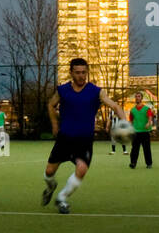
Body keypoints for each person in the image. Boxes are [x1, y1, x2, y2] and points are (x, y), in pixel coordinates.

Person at [42, 58, 129, 214]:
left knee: (81, 169)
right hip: (64, 139)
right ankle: (51, 186)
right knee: (49, 172)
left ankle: (61, 198)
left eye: (84, 72)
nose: (81, 76)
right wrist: (55, 124)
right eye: (78, 73)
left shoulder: (96, 91)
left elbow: (115, 106)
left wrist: (125, 123)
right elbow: (50, 104)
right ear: (71, 73)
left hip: (84, 140)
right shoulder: (62, 90)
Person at [128, 92, 154, 169]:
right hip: (136, 132)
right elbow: (131, 121)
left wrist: (148, 123)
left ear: (141, 98)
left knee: (147, 149)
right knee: (134, 149)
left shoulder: (147, 109)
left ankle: (149, 163)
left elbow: (150, 117)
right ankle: (133, 163)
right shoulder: (132, 110)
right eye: (136, 96)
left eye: (138, 96)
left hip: (145, 132)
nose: (137, 98)